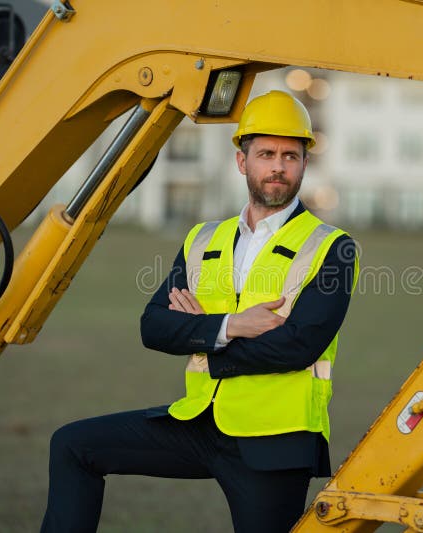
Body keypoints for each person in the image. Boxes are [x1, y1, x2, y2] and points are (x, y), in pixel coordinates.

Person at [41, 90, 359, 533]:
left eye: (291, 155)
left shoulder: (333, 246)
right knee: (73, 445)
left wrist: (203, 340)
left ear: (305, 163)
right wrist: (233, 326)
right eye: (266, 153)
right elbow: (154, 326)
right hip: (197, 422)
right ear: (241, 161)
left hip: (275, 441)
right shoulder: (203, 238)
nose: (278, 166)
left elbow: (298, 345)